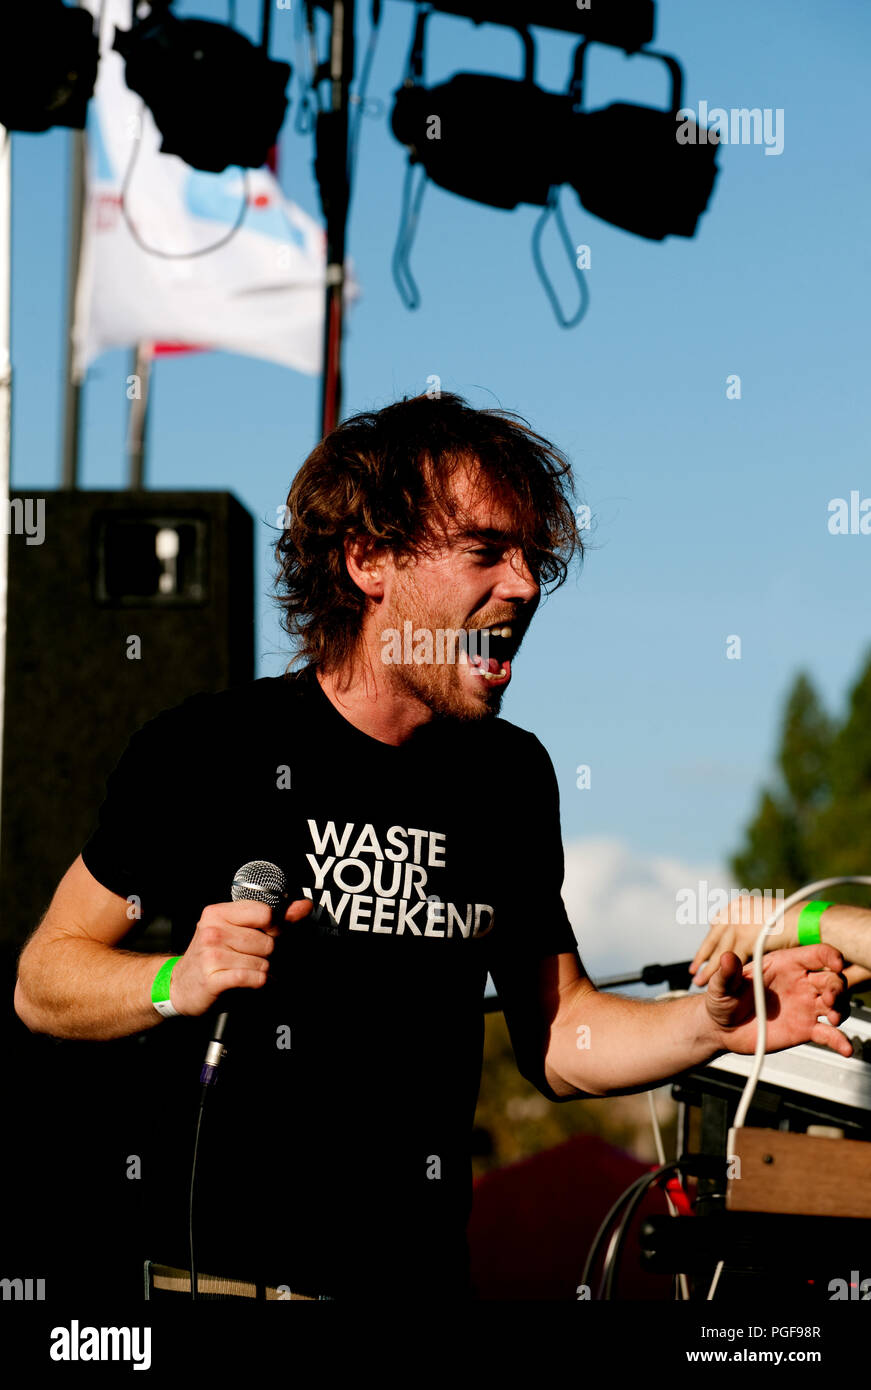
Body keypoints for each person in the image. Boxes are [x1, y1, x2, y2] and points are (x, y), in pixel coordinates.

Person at [13, 393, 851, 1301]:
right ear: (369, 559)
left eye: (533, 559)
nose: (525, 585)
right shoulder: (212, 750)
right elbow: (44, 979)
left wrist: (712, 1025)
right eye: (486, 552)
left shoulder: (508, 777)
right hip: (213, 1286)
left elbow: (561, 1034)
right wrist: (175, 979)